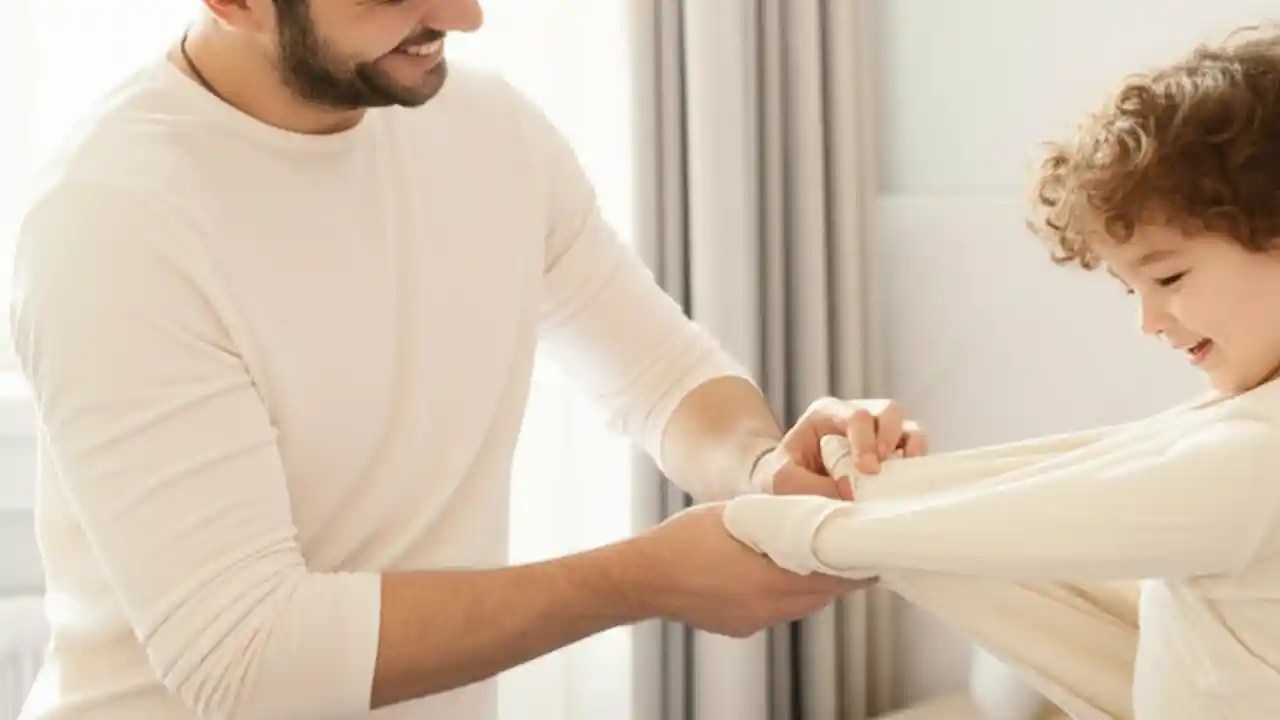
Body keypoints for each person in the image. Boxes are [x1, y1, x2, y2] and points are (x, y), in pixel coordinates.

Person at [8, 1, 930, 718]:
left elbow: (658, 373)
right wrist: (642, 577)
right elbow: (247, 655)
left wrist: (764, 469)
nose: (464, 16)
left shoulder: (490, 131)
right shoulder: (113, 220)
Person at [722, 26, 1280, 720]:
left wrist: (769, 521)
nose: (1148, 321)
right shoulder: (1245, 422)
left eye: (1168, 276)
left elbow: (1033, 516)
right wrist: (877, 489)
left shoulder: (1255, 459)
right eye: (1130, 289)